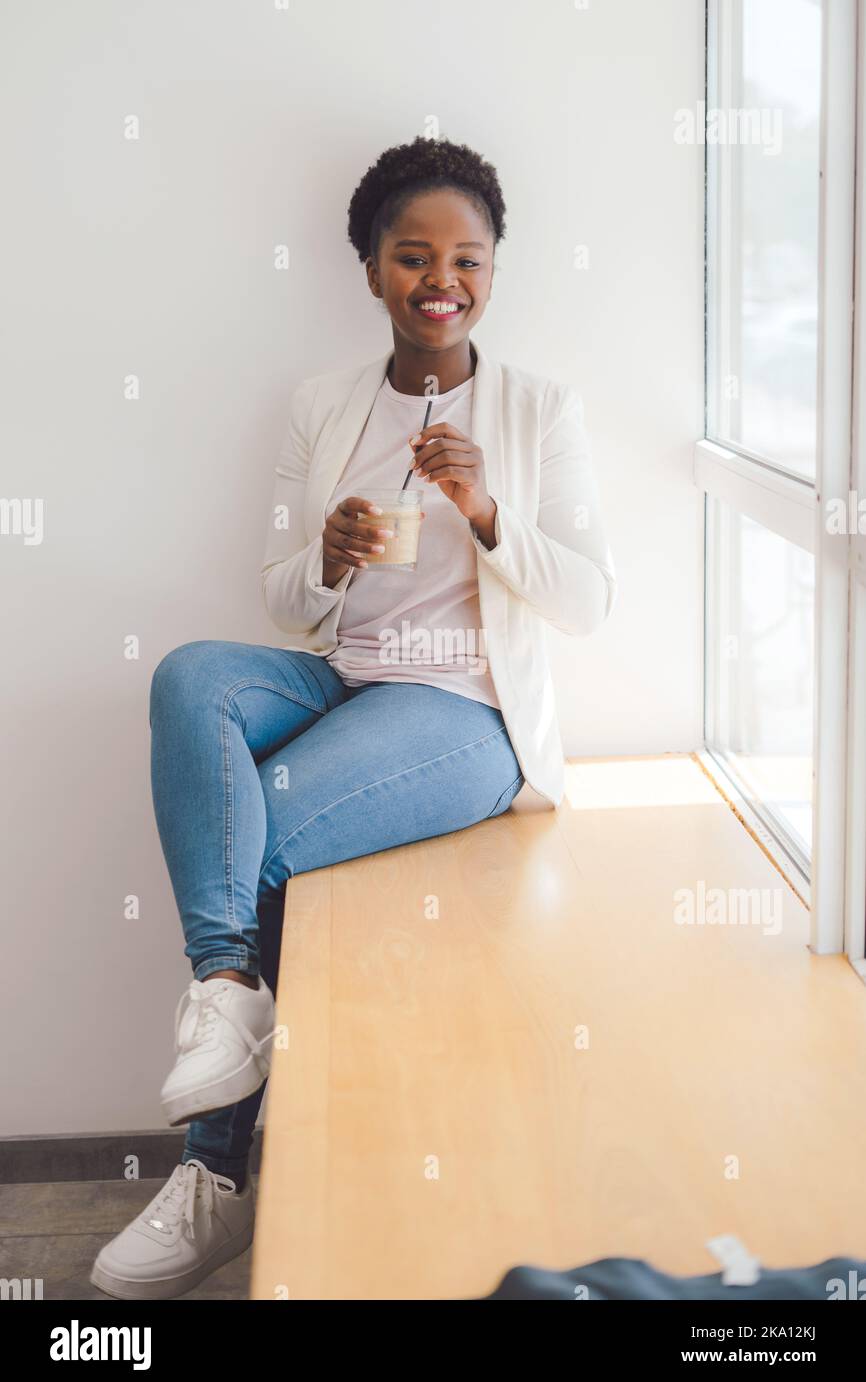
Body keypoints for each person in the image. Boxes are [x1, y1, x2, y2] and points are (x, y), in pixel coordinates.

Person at [90, 135, 617, 1300]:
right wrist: (325, 559)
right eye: (412, 256)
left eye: (466, 259)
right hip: (346, 677)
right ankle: (227, 988)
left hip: (467, 708)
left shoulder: (537, 409)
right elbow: (281, 604)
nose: (441, 280)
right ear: (370, 268)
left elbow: (589, 600)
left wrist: (485, 509)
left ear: (492, 269)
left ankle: (216, 1174)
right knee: (188, 676)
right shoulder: (322, 405)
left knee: (262, 833)